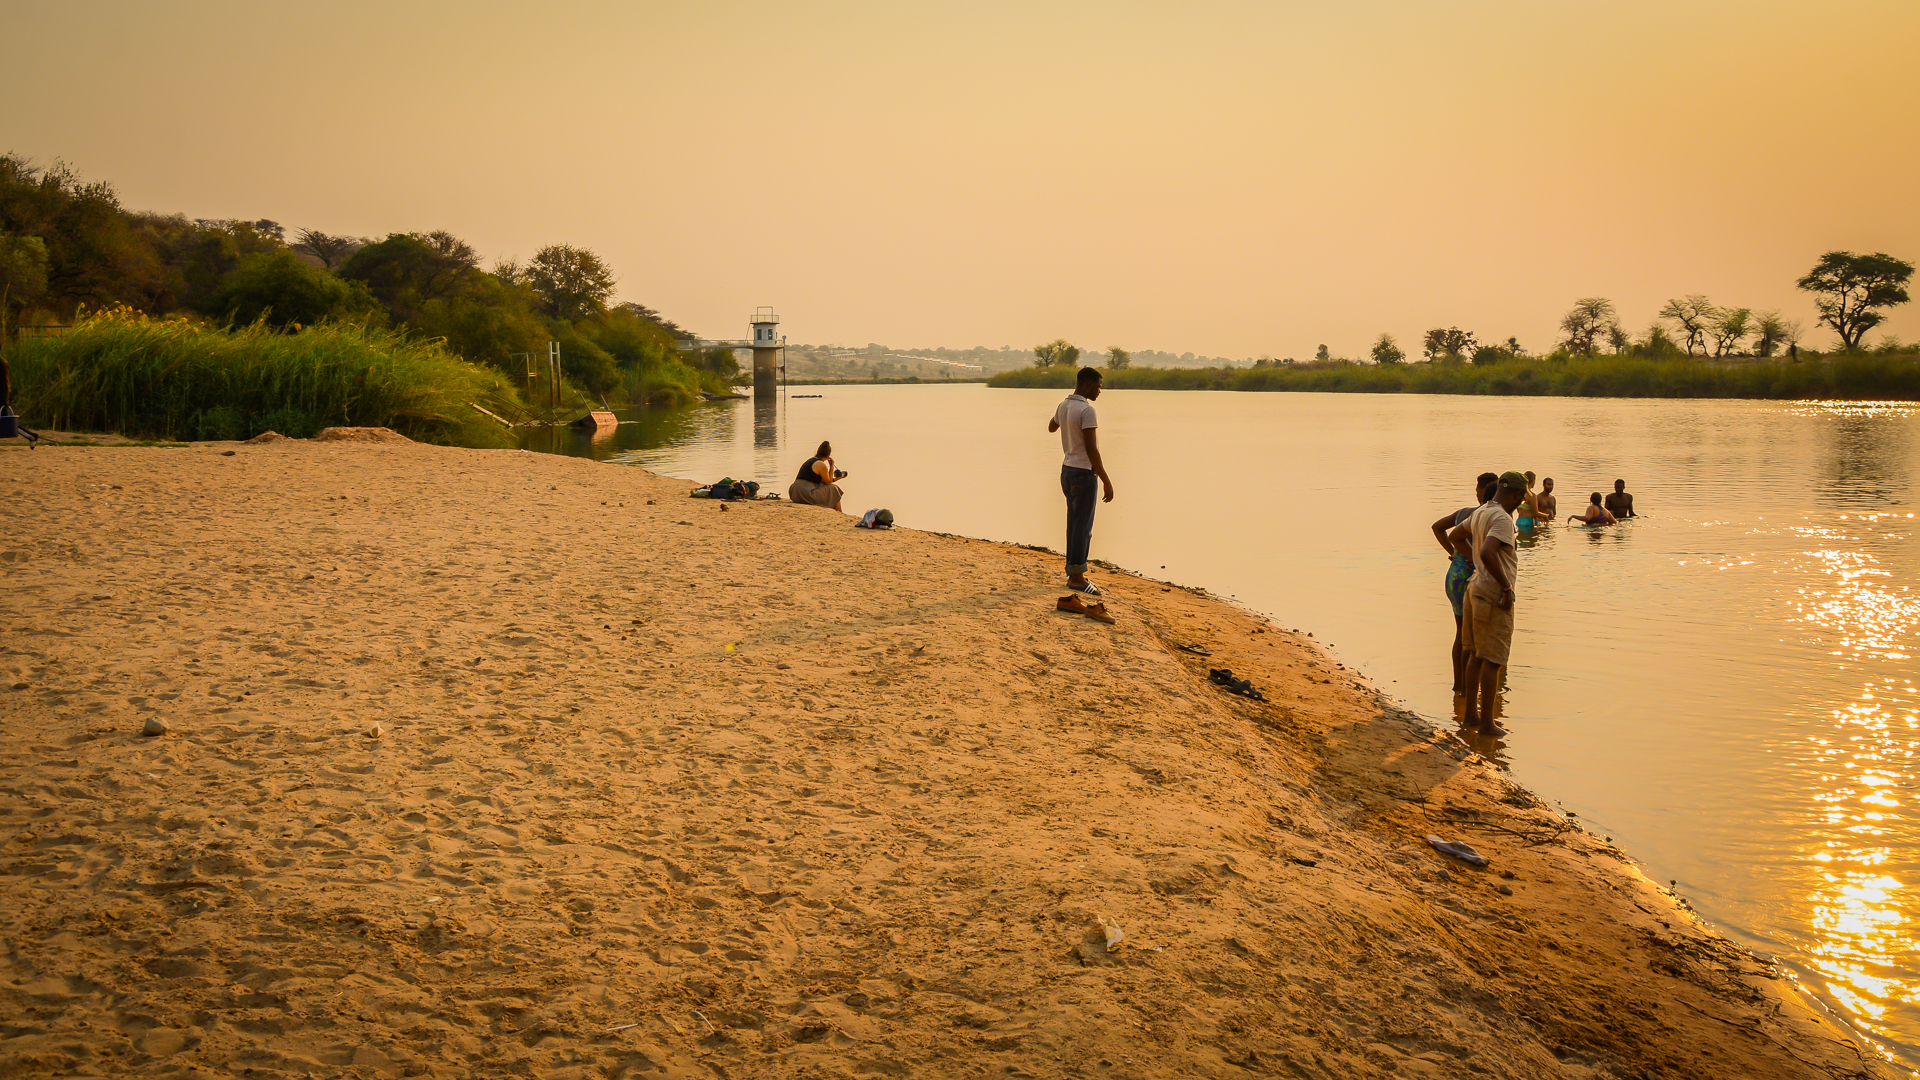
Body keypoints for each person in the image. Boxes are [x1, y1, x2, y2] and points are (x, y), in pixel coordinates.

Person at [1448, 471, 1526, 737]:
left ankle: (1470, 715)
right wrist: (1505, 586)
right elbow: (1487, 550)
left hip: (1474, 588)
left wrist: (1474, 564)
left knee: (1475, 654)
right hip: (1493, 594)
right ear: (1516, 495)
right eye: (1522, 497)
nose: (1522, 501)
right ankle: (1486, 723)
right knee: (1493, 659)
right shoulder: (1503, 519)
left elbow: (1455, 536)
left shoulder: (1482, 512)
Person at [1047, 366, 1114, 594]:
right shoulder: (1087, 410)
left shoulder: (1064, 405)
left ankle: (1074, 571)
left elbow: (1051, 427)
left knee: (1074, 524)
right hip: (1083, 473)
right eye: (1098, 386)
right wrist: (1106, 479)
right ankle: (1077, 577)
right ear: (1087, 384)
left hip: (1067, 471)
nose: (1099, 391)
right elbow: (1091, 449)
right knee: (1082, 527)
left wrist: (1064, 421)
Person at [1431, 472, 1498, 695]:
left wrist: (1454, 554)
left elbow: (1437, 527)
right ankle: (1470, 691)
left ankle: (1459, 686)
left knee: (1461, 633)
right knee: (1473, 638)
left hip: (1454, 575)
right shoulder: (1490, 517)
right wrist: (1471, 558)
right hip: (1469, 578)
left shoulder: (1464, 513)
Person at [788, 440, 847, 511]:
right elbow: (828, 482)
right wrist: (831, 466)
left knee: (830, 488)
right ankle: (839, 512)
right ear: (828, 456)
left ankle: (838, 512)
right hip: (805, 493)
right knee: (834, 489)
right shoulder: (821, 464)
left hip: (795, 493)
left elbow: (825, 482)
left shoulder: (811, 460)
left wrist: (838, 478)